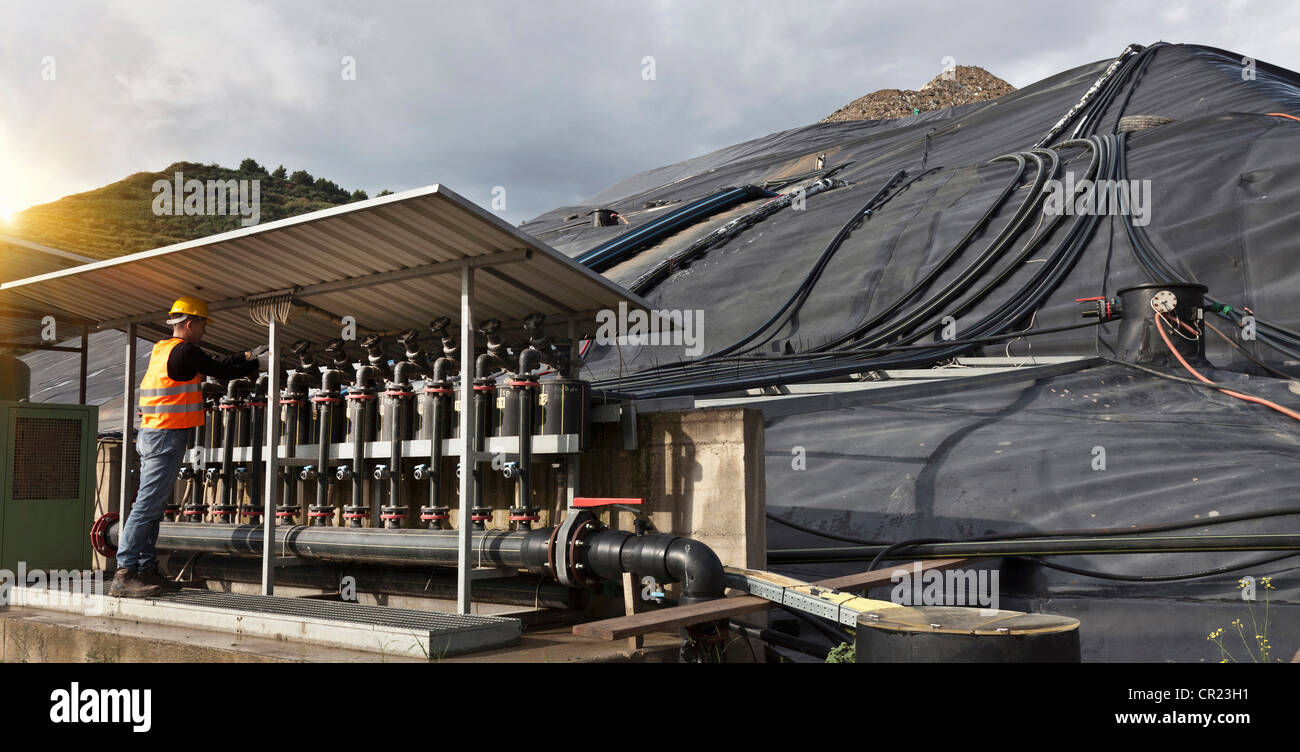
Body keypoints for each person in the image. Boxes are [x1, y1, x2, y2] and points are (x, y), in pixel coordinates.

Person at [110, 297, 265, 597]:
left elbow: (211, 363)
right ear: (191, 324)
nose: (205, 330)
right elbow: (218, 369)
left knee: (152, 508)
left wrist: (246, 355)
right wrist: (256, 363)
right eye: (204, 325)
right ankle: (125, 572)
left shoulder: (163, 349)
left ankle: (144, 570)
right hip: (165, 435)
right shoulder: (186, 351)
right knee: (145, 507)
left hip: (153, 433)